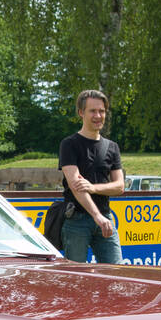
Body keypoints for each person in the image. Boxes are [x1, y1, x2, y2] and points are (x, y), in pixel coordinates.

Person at [58, 89, 125, 264]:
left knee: (115, 275)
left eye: (102, 111)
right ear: (81, 113)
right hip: (76, 221)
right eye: (92, 111)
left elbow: (120, 186)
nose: (98, 115)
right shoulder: (69, 144)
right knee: (75, 279)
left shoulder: (112, 147)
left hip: (106, 218)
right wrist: (97, 216)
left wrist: (94, 188)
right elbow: (76, 185)